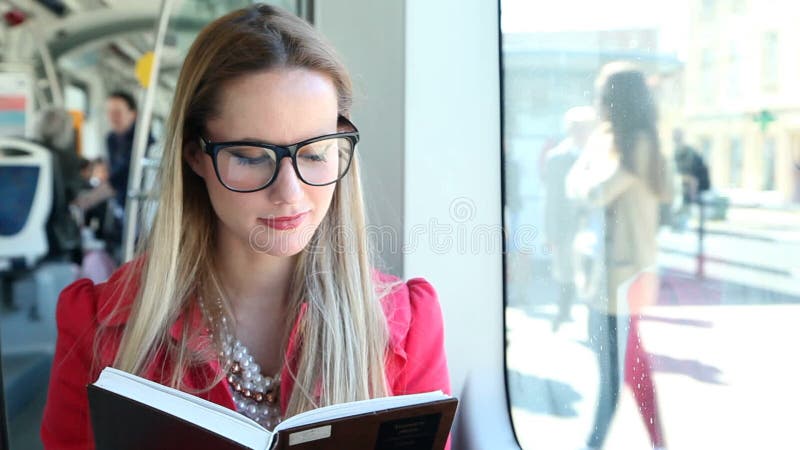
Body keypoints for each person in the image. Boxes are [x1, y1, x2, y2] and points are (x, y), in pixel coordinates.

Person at [41, 5, 450, 449]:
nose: (290, 193)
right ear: (196, 155)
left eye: (315, 153)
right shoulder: (96, 327)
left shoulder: (407, 326)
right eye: (252, 157)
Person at [567, 62, 671, 450]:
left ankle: (594, 445)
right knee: (629, 366)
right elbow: (575, 183)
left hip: (626, 277)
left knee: (617, 371)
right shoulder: (612, 140)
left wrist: (589, 172)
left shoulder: (638, 145)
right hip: (612, 276)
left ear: (616, 100)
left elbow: (592, 191)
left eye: (602, 95)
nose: (597, 104)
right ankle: (658, 441)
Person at [543, 106, 594, 332]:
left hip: (591, 227)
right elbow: (551, 198)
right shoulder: (557, 158)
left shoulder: (599, 156)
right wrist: (550, 232)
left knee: (590, 274)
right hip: (565, 226)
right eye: (576, 128)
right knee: (564, 271)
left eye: (585, 128)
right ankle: (563, 312)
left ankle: (590, 316)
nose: (581, 133)